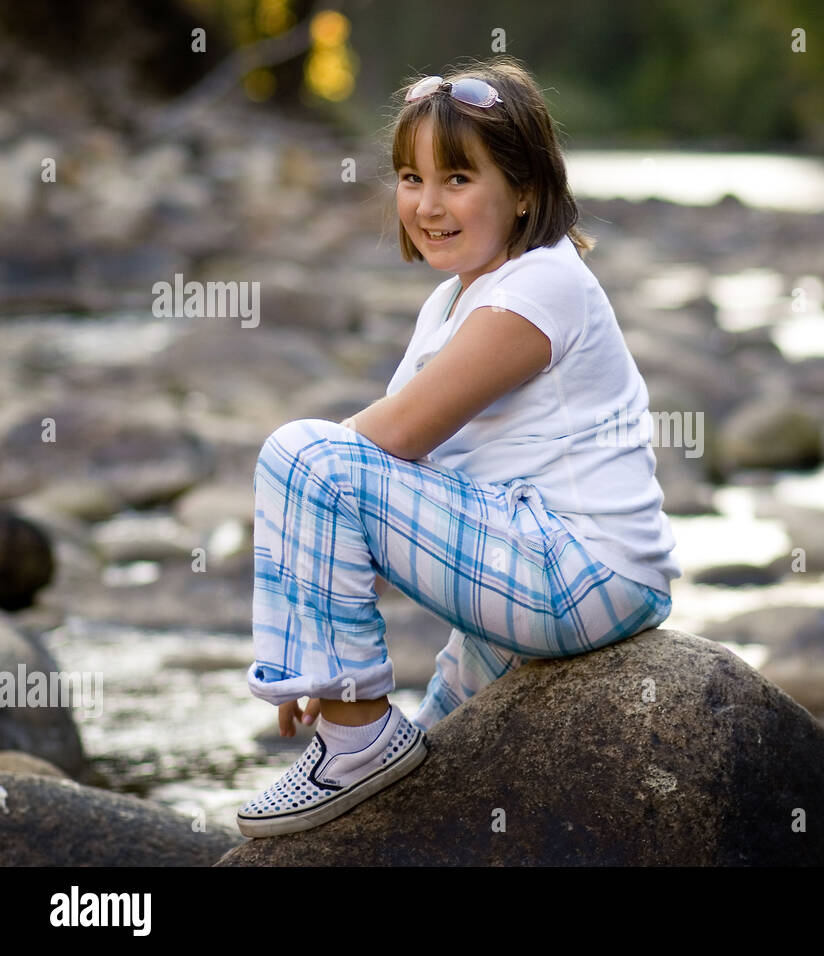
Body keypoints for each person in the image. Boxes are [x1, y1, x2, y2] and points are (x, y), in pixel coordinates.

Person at [236, 55, 681, 837]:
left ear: (527, 192)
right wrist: (317, 631)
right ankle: (362, 737)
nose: (427, 205)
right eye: (411, 178)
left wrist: (315, 619)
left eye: (458, 180)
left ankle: (356, 736)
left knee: (302, 455)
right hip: (528, 578)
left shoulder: (543, 283)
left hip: (578, 570)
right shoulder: (454, 301)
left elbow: (390, 440)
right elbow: (395, 475)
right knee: (430, 797)